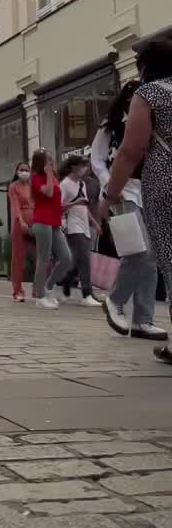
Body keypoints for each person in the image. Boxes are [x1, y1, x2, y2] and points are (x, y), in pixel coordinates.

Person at [108, 34, 172, 360]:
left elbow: (130, 151)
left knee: (168, 261)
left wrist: (111, 192)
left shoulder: (148, 94)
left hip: (163, 185)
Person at [91, 80, 165, 341]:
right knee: (138, 250)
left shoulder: (154, 121)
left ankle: (144, 319)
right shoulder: (111, 126)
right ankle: (115, 299)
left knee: (152, 256)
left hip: (150, 190)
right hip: (123, 191)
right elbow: (97, 158)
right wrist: (109, 184)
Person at [31, 149, 73, 310]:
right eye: (48, 159)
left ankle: (48, 287)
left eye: (51, 159)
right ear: (42, 162)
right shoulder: (36, 178)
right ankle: (39, 296)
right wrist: (49, 174)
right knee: (44, 259)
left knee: (66, 258)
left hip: (55, 222)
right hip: (42, 222)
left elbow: (54, 200)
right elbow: (48, 193)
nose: (51, 162)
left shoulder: (54, 177)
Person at [59, 156, 101, 307]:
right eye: (82, 166)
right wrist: (74, 203)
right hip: (73, 227)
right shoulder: (65, 185)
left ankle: (65, 281)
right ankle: (87, 294)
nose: (85, 169)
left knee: (77, 261)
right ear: (73, 167)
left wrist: (95, 223)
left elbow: (84, 206)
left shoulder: (81, 184)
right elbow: (59, 207)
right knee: (85, 260)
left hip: (85, 227)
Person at [8, 162, 34, 302]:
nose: (24, 172)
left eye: (26, 170)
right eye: (21, 170)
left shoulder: (32, 187)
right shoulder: (13, 187)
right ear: (17, 171)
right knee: (18, 259)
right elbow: (15, 206)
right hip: (20, 224)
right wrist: (21, 221)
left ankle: (39, 290)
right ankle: (17, 291)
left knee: (39, 257)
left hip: (35, 223)